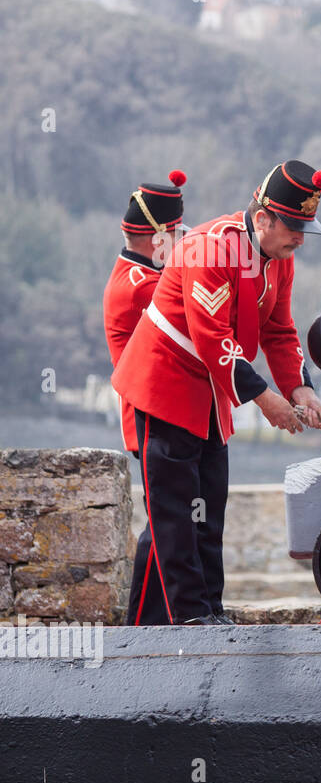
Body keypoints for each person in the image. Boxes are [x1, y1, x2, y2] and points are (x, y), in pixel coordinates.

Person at [111, 160, 321, 625]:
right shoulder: (209, 249)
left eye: (304, 228)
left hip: (211, 393)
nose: (299, 238)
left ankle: (199, 612)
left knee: (207, 513)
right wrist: (266, 400)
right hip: (165, 386)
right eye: (293, 227)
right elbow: (211, 336)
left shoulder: (277, 261)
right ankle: (192, 620)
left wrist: (299, 388)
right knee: (174, 518)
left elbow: (280, 330)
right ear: (263, 219)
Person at [103, 170, 189, 622]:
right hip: (154, 414)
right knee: (165, 526)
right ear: (159, 236)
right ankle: (144, 623)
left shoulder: (147, 274)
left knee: (172, 523)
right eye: (176, 232)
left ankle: (163, 618)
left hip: (167, 412)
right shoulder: (141, 286)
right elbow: (190, 309)